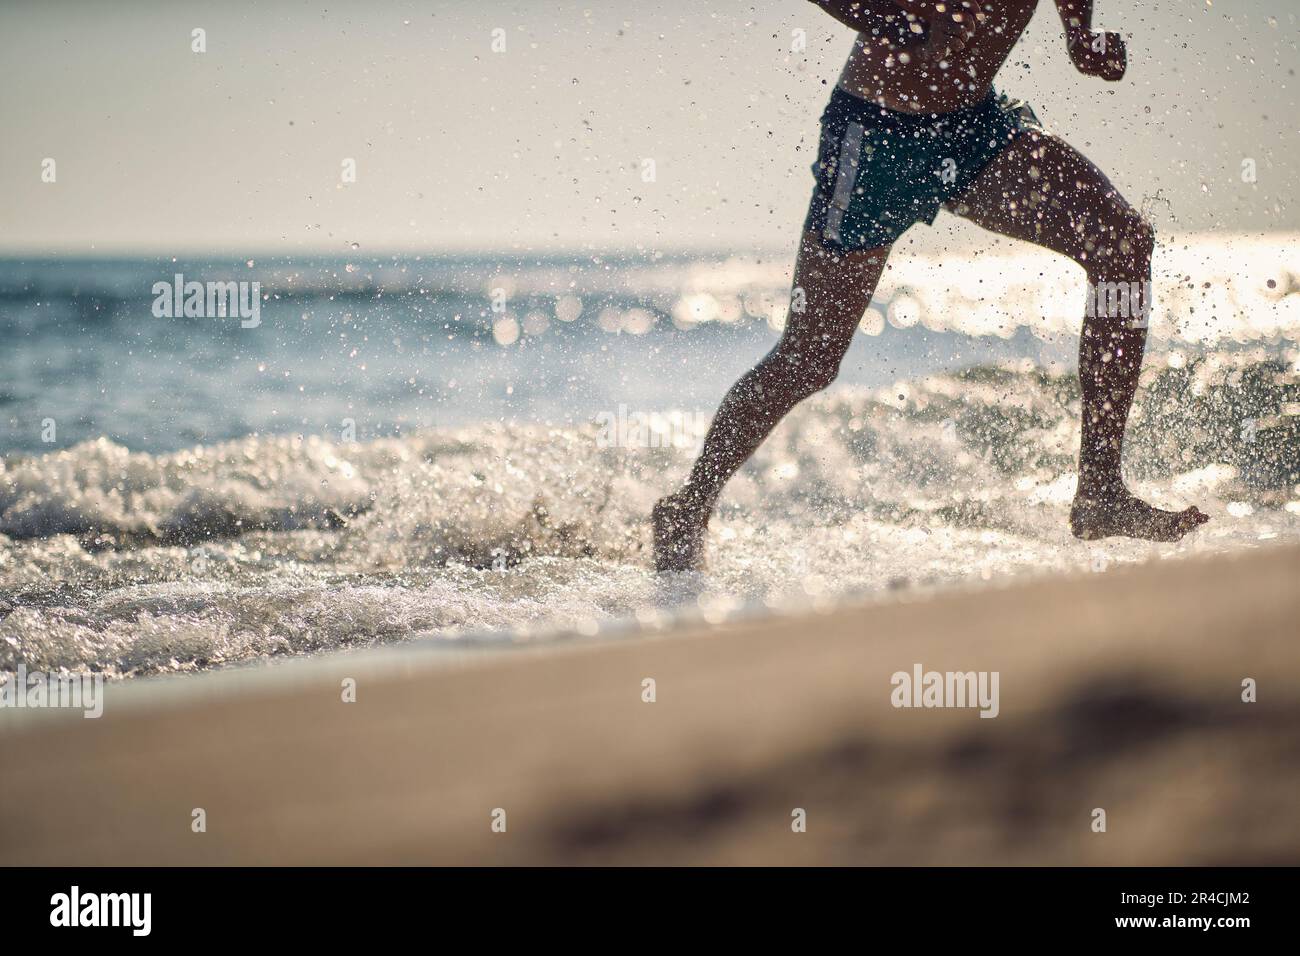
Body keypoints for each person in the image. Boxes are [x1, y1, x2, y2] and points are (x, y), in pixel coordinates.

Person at [652, 0, 1208, 571]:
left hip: (974, 130)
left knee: (1121, 242)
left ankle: (1100, 491)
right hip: (876, 136)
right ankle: (689, 506)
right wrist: (887, 18)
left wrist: (1079, 33)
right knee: (809, 358)